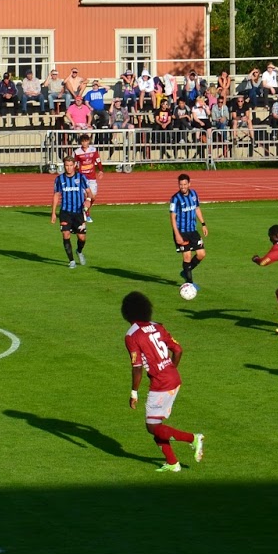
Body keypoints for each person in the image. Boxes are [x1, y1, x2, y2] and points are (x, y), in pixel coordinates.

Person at [121, 291, 203, 473]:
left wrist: (134, 392)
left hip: (161, 383)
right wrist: (170, 369)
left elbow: (137, 367)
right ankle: (173, 463)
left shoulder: (132, 335)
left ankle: (193, 438)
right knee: (156, 425)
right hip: (173, 378)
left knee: (152, 426)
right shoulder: (158, 326)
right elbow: (179, 350)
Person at [52, 154, 91, 269]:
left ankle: (79, 251)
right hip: (65, 212)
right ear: (64, 166)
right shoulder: (59, 179)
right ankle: (71, 261)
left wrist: (88, 200)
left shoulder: (81, 178)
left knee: (81, 238)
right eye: (66, 165)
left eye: (70, 165)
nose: (68, 168)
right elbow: (56, 195)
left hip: (78, 212)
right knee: (65, 234)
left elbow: (89, 192)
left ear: (74, 165)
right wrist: (53, 212)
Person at [169, 173, 208, 288]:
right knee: (187, 257)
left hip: (193, 231)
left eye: (185, 184)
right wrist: (177, 235)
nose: (183, 187)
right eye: (181, 184)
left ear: (189, 184)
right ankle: (189, 283)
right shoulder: (175, 198)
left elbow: (197, 208)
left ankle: (186, 271)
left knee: (201, 254)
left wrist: (203, 224)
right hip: (181, 232)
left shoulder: (194, 194)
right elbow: (172, 217)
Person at [73, 133, 103, 220]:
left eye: (86, 141)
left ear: (88, 141)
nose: (84, 143)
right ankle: (86, 213)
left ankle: (86, 209)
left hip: (92, 177)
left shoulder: (93, 150)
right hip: (82, 177)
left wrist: (101, 170)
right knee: (85, 196)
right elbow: (74, 164)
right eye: (82, 141)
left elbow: (98, 160)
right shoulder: (77, 152)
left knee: (93, 197)